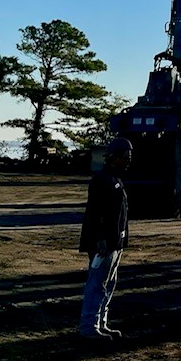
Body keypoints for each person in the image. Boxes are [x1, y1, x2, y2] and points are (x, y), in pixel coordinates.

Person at [78, 137, 132, 340]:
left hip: (115, 243)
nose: (129, 160)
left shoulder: (115, 179)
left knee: (108, 284)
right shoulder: (102, 180)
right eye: (126, 157)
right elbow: (95, 212)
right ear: (115, 157)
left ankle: (101, 323)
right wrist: (100, 238)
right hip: (104, 244)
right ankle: (89, 327)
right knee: (97, 284)